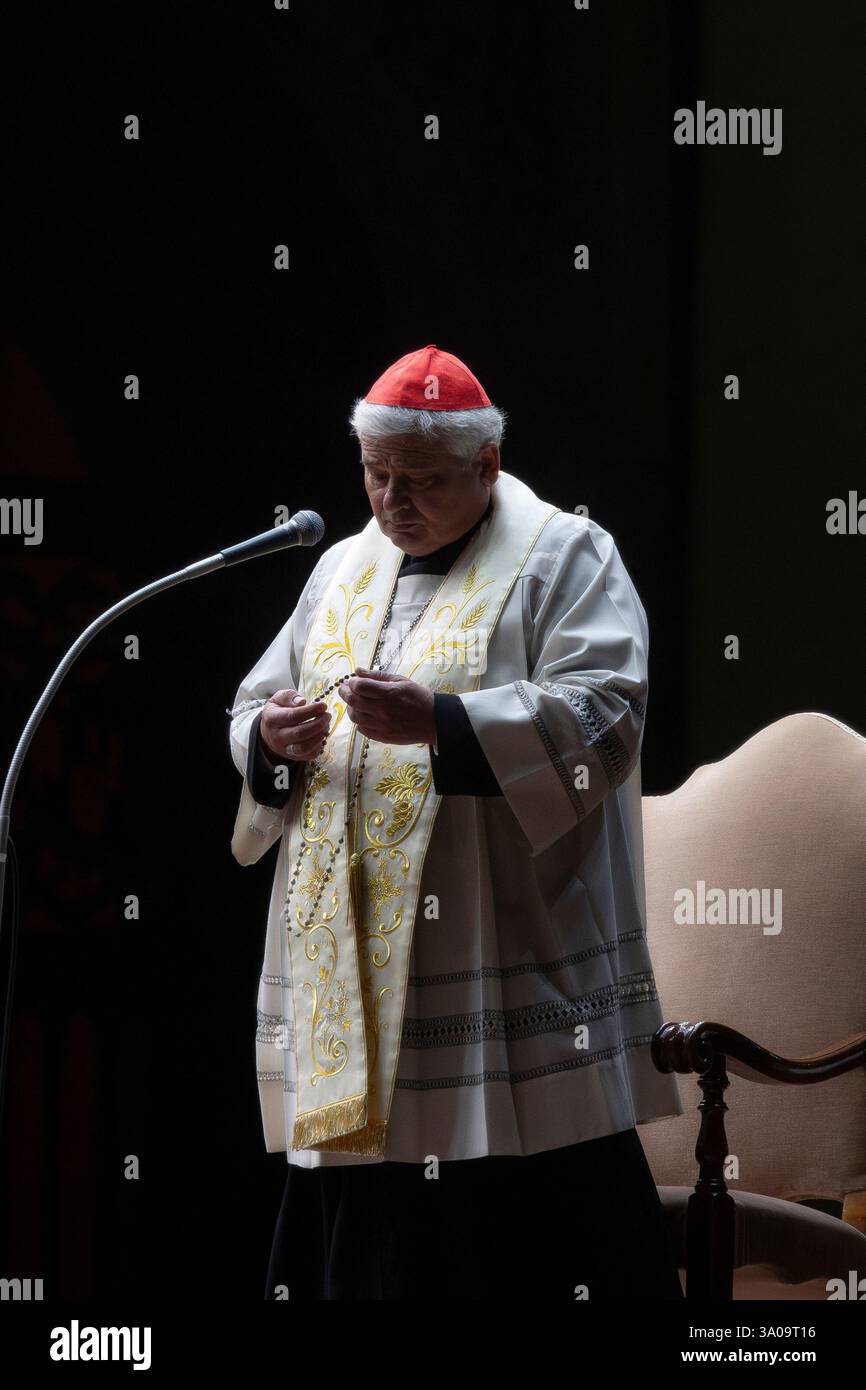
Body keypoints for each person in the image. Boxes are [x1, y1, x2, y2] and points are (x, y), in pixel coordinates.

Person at [227, 344, 684, 1300]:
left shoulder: (566, 555)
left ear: (486, 466)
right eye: (376, 473)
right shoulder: (344, 569)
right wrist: (273, 736)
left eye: (421, 480)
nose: (392, 501)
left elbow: (608, 712)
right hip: (349, 972)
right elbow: (254, 705)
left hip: (501, 951)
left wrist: (441, 724)